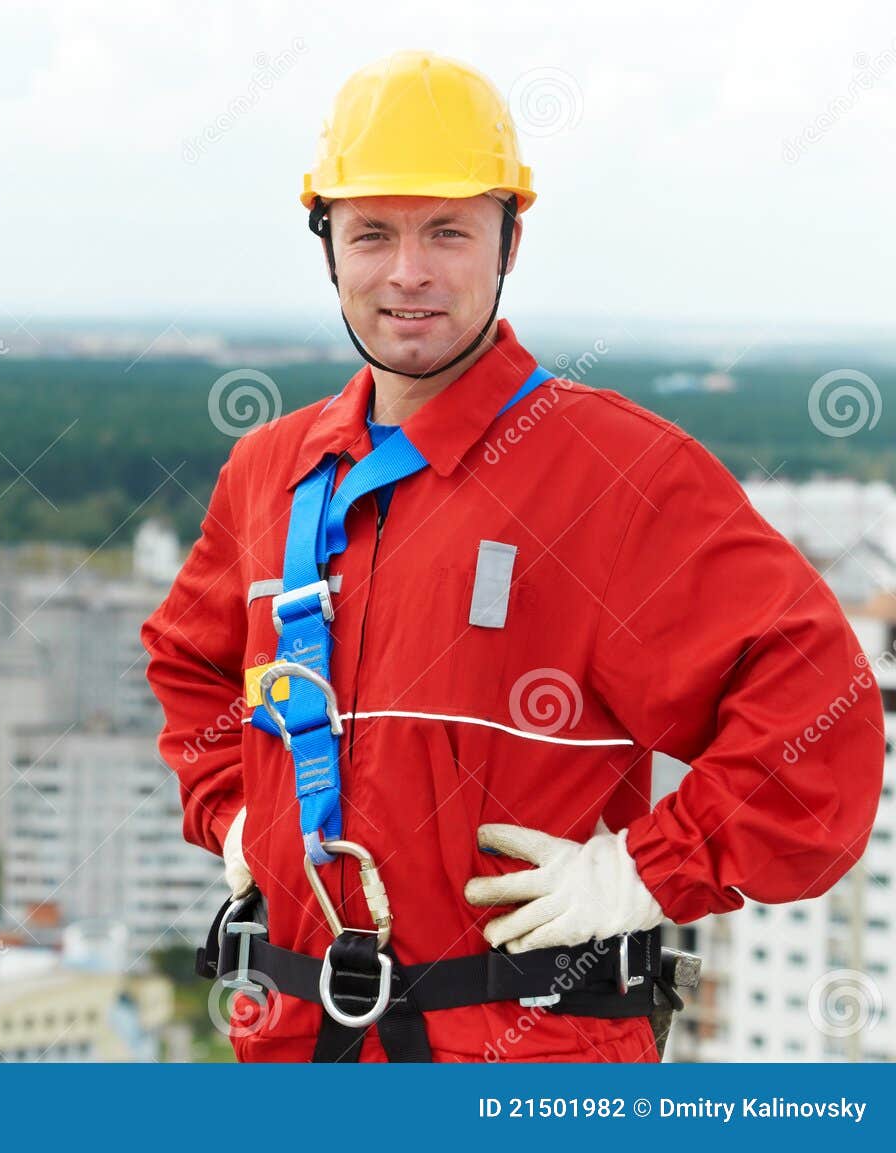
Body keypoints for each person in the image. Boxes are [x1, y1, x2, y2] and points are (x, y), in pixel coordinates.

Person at [140, 50, 884, 1063]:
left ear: (510, 242)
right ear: (327, 248)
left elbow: (817, 717)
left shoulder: (616, 477)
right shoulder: (272, 472)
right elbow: (188, 667)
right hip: (293, 1048)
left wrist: (643, 870)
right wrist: (236, 812)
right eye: (372, 234)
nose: (409, 272)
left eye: (448, 232)